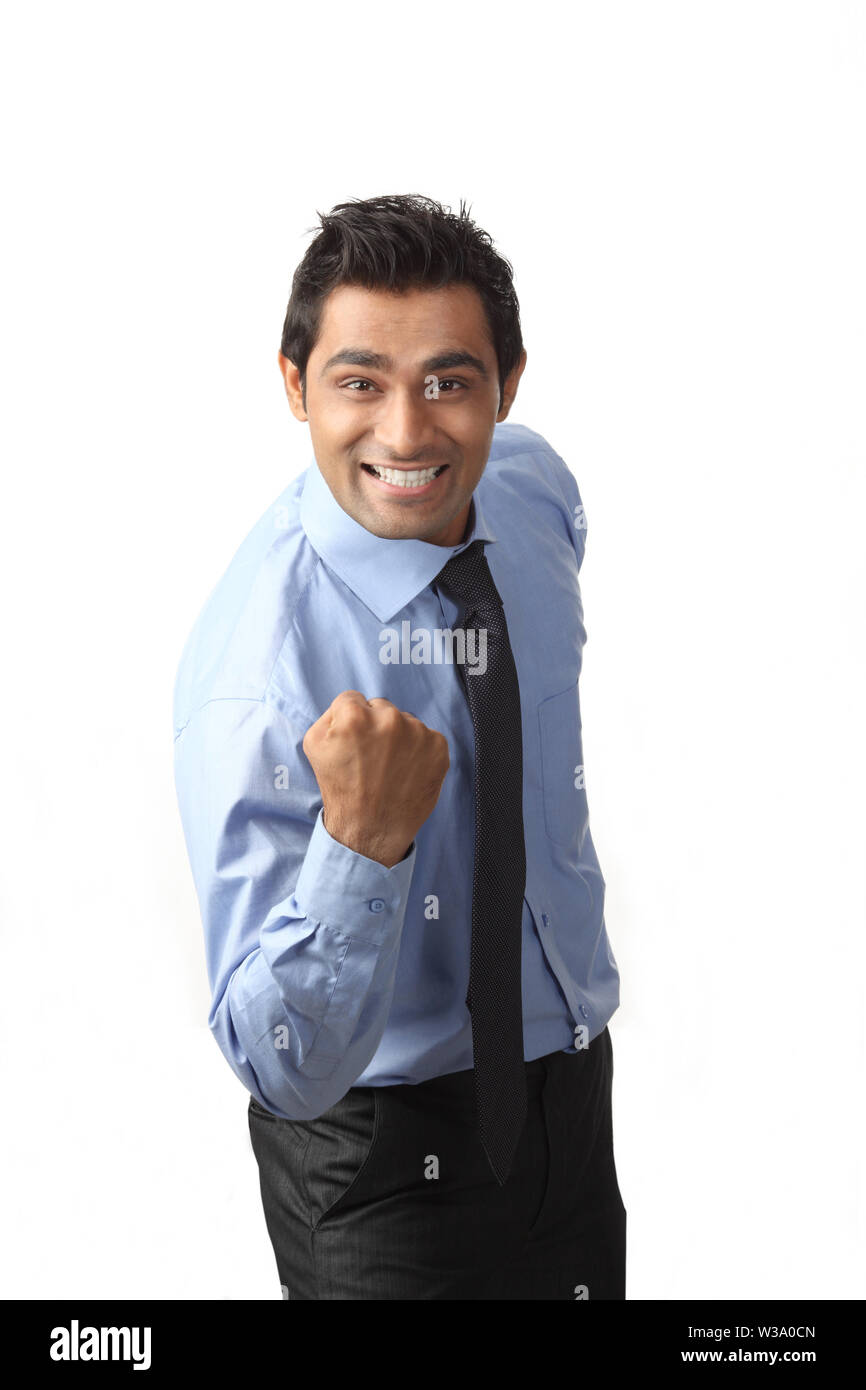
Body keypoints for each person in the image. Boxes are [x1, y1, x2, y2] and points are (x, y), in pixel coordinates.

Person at [173, 193, 626, 1300]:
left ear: (506, 385)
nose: (408, 432)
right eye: (359, 381)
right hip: (376, 1162)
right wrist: (360, 849)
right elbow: (279, 1066)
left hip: (566, 1109)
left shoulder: (528, 496)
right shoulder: (254, 676)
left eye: (447, 381)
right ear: (295, 386)